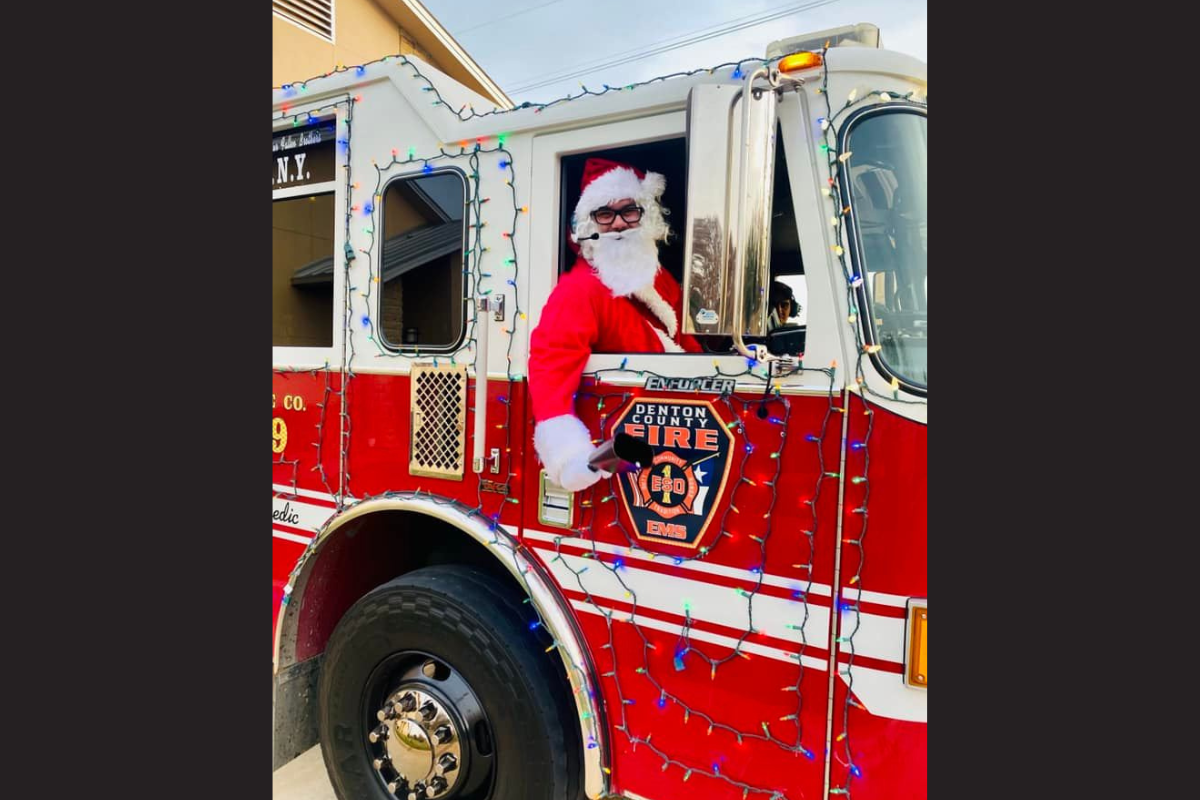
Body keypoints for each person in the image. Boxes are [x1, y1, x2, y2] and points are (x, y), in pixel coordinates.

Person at [529, 157, 702, 491]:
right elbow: (550, 362)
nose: (619, 224)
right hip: (625, 441)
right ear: (588, 225)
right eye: (605, 214)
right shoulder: (578, 290)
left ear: (645, 216)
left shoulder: (660, 280)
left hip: (675, 429)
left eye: (629, 211)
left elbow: (688, 345)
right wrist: (569, 454)